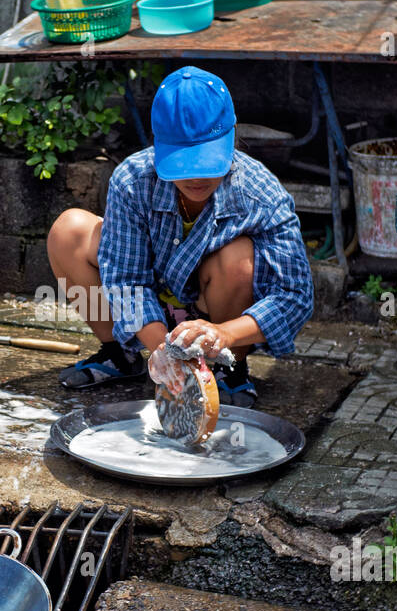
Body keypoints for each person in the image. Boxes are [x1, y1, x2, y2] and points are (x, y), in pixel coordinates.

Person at [46, 65, 313, 405]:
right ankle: (121, 354)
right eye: (185, 163)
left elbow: (295, 296)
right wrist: (163, 349)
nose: (197, 177)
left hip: (213, 315)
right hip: (151, 311)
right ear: (159, 146)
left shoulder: (260, 193)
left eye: (207, 161)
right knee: (69, 230)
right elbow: (126, 280)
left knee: (239, 260)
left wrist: (225, 333)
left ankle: (228, 370)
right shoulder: (132, 180)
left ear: (230, 141)